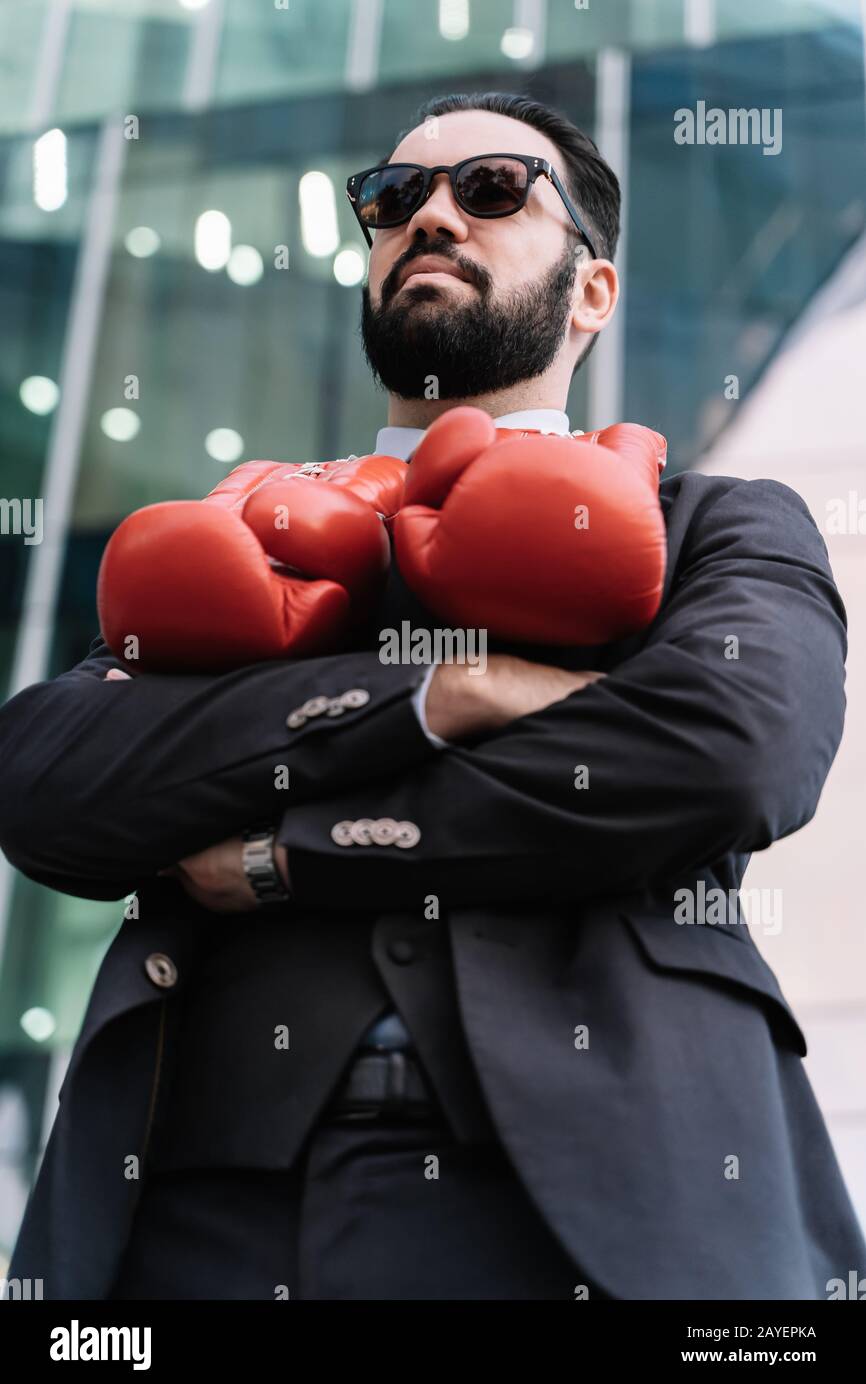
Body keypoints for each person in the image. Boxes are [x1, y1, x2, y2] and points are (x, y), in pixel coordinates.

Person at [2, 91, 864, 1301]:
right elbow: (47, 779)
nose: (432, 217)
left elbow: (732, 751)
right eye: (394, 198)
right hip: (209, 1218)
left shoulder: (718, 523)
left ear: (592, 292)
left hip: (630, 1208)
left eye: (493, 190)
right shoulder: (230, 539)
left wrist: (288, 852)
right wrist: (434, 695)